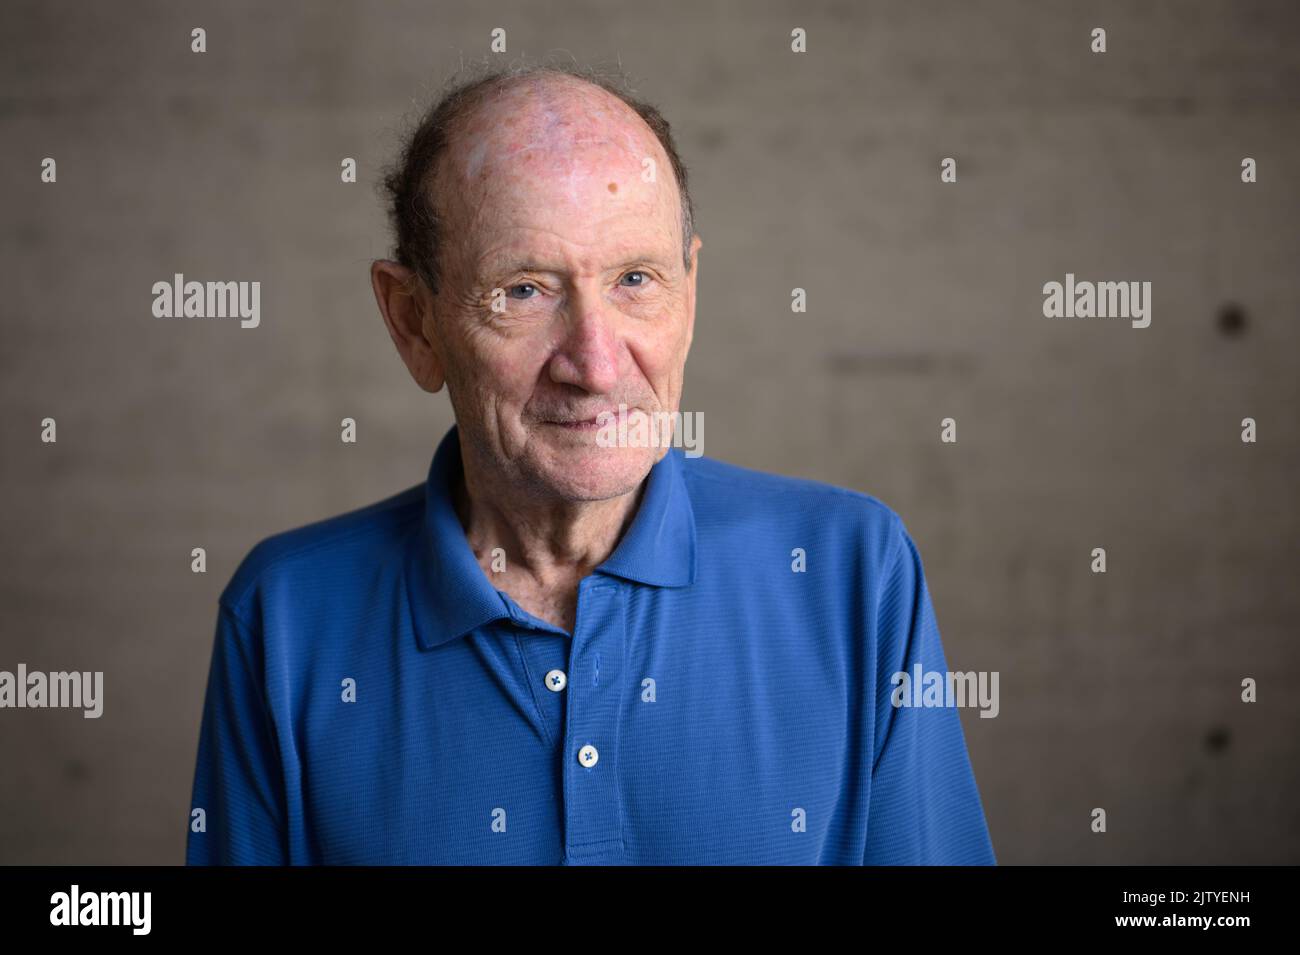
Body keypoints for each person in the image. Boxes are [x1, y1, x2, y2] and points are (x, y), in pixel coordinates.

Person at [185, 60, 995, 865]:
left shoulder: (853, 573)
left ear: (690, 290)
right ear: (414, 322)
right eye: (525, 291)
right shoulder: (285, 617)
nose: (596, 364)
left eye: (636, 279)